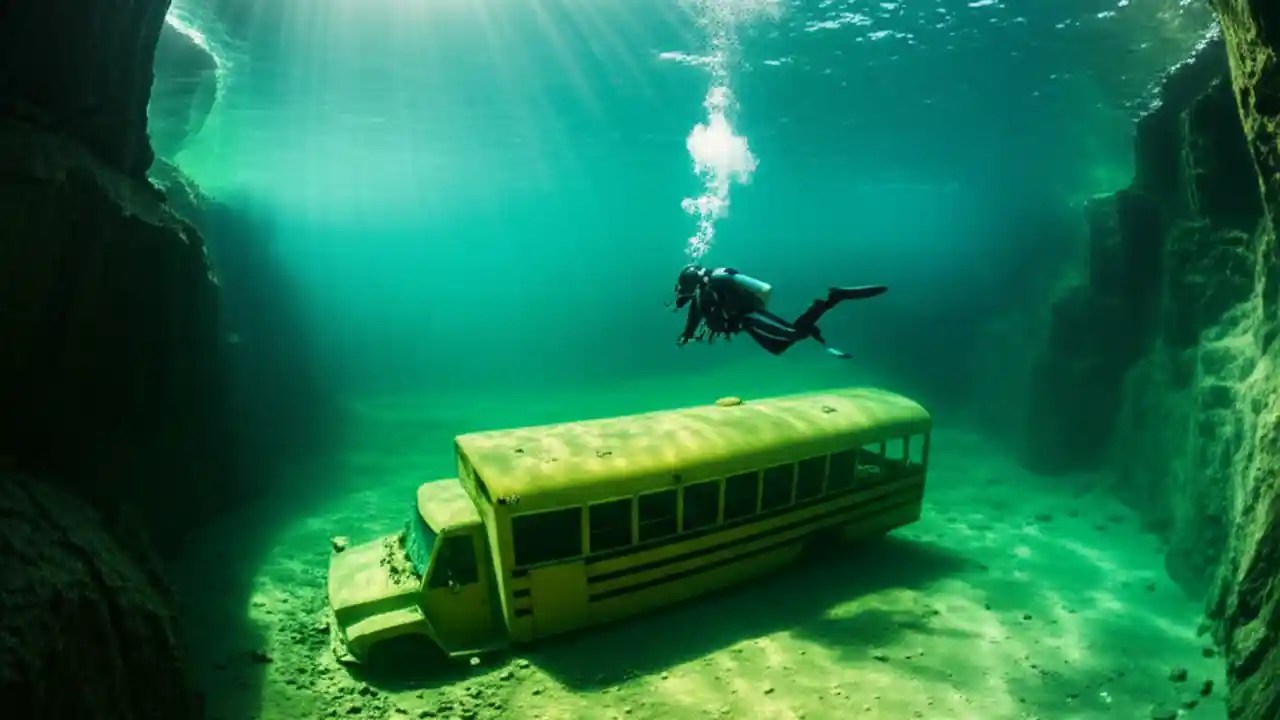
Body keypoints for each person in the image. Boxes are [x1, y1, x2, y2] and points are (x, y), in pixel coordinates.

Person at [672, 263, 886, 359]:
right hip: (745, 324)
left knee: (793, 334)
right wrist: (685, 336)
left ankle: (833, 298)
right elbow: (693, 321)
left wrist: (754, 310)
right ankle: (818, 315)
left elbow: (763, 289)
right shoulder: (701, 296)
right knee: (778, 348)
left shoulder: (717, 282)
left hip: (750, 319)